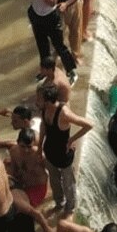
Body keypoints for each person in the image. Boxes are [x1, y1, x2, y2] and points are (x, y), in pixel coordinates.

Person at [38, 85, 94, 214]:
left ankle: (70, 208)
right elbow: (43, 127)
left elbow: (89, 125)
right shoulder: (44, 109)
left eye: (39, 99)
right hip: (50, 152)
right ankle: (59, 203)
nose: (37, 101)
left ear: (47, 101)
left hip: (63, 155)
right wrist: (39, 147)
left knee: (68, 184)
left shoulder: (64, 113)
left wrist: (72, 139)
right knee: (54, 181)